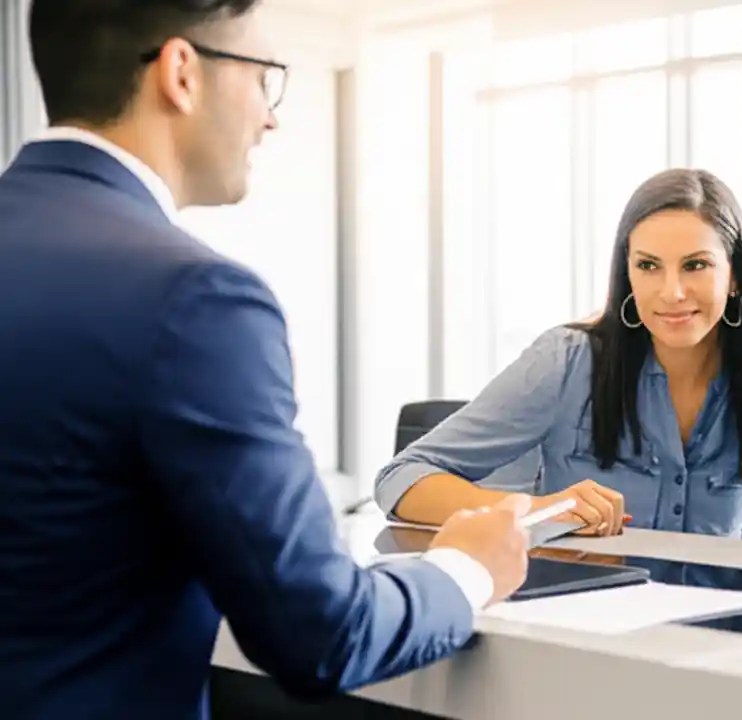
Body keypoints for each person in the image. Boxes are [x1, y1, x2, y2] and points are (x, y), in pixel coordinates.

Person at [0, 2, 531, 717]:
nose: (271, 117)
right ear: (181, 72)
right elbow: (320, 631)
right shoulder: (194, 299)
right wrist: (469, 568)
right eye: (264, 78)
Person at [377, 169, 742, 541]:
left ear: (734, 275)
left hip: (716, 635)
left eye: (695, 265)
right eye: (648, 266)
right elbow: (401, 479)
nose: (672, 292)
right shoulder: (566, 363)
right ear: (627, 274)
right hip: (579, 624)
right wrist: (541, 510)